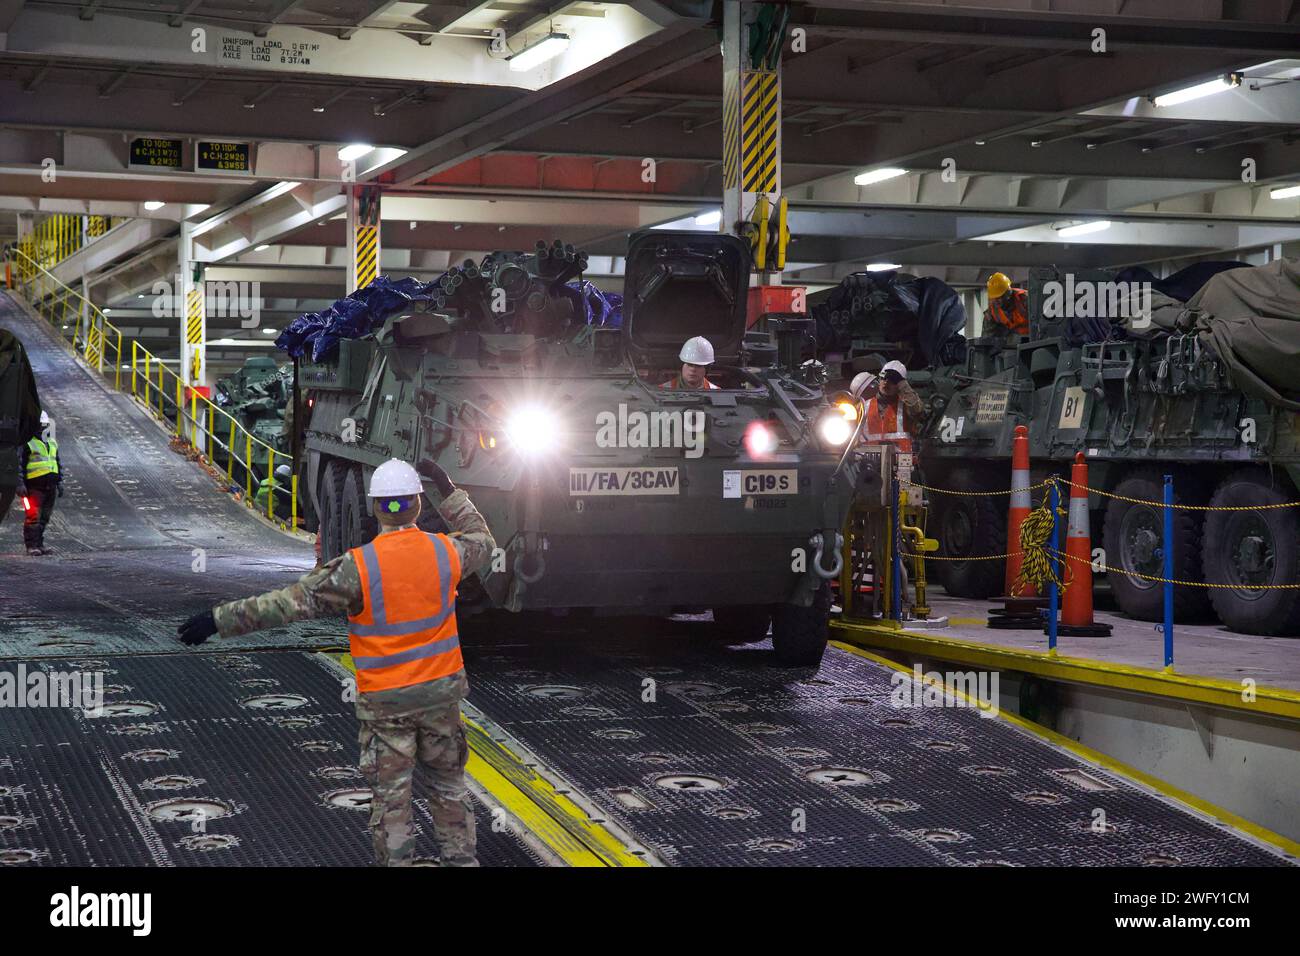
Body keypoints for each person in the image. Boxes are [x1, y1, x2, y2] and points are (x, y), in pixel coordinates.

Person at [176, 457, 496, 867]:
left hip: (387, 706)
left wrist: (217, 620)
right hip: (440, 699)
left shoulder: (357, 567)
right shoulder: (447, 553)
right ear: (417, 503)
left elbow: (286, 605)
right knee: (449, 787)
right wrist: (448, 489)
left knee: (392, 800)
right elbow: (483, 540)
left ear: (375, 507)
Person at [851, 362, 923, 616]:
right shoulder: (865, 406)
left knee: (894, 546)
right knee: (868, 543)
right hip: (868, 483)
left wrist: (903, 385)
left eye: (891, 380)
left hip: (898, 483)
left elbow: (920, 410)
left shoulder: (905, 407)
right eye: (883, 378)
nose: (885, 383)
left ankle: (900, 597)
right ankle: (871, 596)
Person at [21, 410, 63, 556]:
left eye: (45, 424)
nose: (43, 427)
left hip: (50, 486)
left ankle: (39, 544)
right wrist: (20, 484)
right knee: (33, 516)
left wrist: (59, 482)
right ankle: (31, 546)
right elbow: (20, 464)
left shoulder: (52, 442)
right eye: (41, 424)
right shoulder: (28, 443)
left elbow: (57, 462)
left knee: (44, 517)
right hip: (33, 487)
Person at [985, 272, 1029, 338]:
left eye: (999, 297)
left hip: (1034, 341)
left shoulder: (1025, 299)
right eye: (994, 298)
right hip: (1011, 344)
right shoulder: (992, 312)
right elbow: (988, 339)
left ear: (1008, 294)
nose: (996, 301)